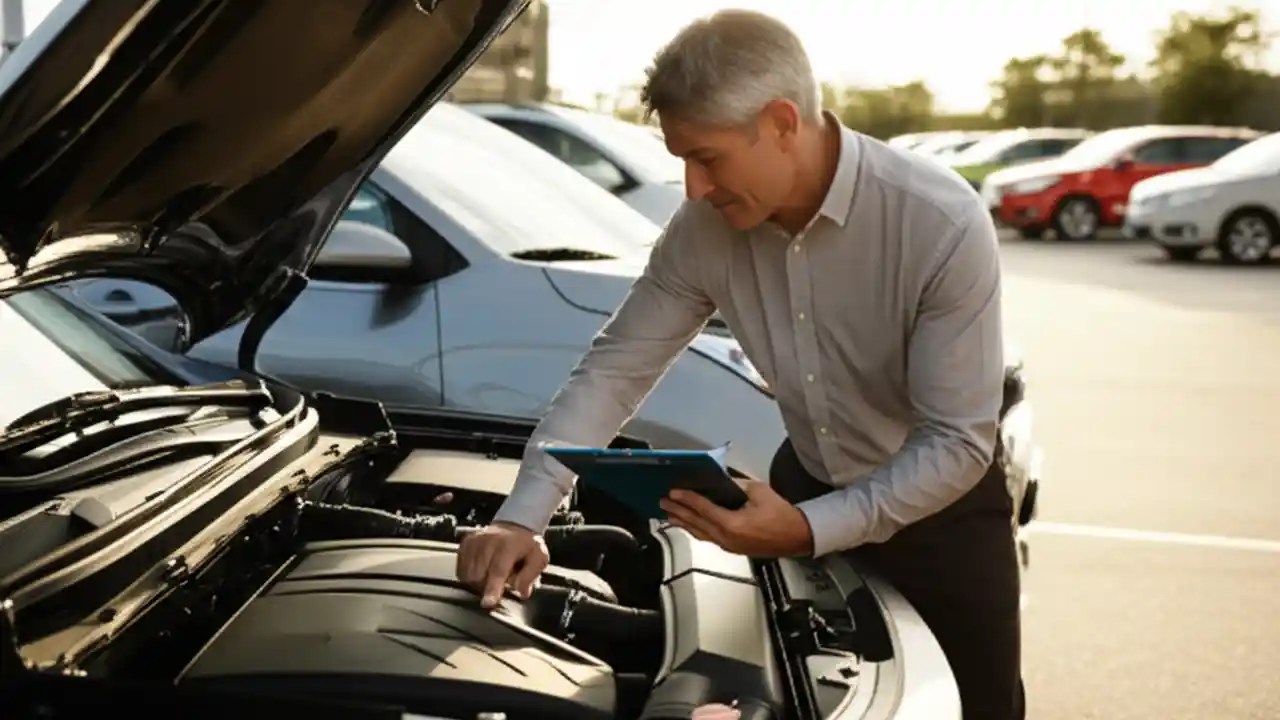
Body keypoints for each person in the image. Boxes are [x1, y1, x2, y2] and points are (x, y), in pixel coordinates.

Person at [456, 9, 1022, 719]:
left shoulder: (938, 221)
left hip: (942, 519)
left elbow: (955, 441)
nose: (693, 189)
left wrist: (809, 529)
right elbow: (615, 368)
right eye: (681, 161)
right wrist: (522, 517)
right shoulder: (703, 231)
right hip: (802, 489)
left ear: (783, 122)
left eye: (708, 158)